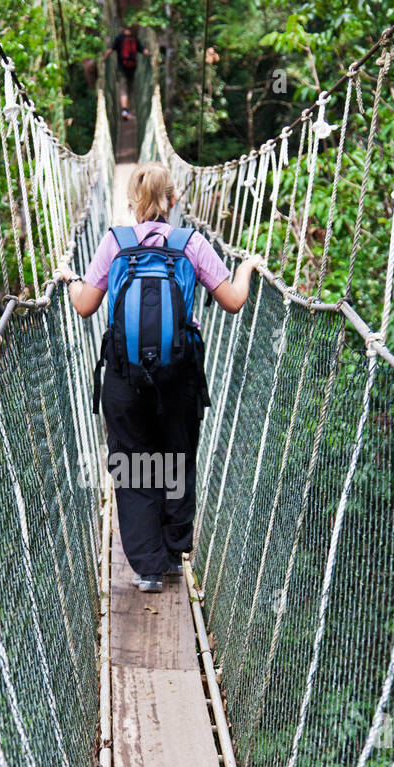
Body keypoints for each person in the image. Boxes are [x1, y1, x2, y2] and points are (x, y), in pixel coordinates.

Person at [62, 162, 263, 592]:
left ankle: (148, 568)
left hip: (124, 373)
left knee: (134, 463)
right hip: (179, 372)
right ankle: (173, 551)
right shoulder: (191, 243)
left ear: (134, 202)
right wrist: (246, 267)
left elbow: (84, 306)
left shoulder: (115, 242)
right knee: (176, 454)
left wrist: (72, 279)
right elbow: (232, 300)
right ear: (173, 201)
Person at [105, 25, 149, 120]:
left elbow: (110, 50)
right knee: (129, 89)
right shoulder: (135, 38)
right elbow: (144, 51)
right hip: (132, 69)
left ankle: (124, 111)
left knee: (123, 89)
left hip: (121, 69)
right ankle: (128, 112)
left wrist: (103, 58)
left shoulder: (119, 38)